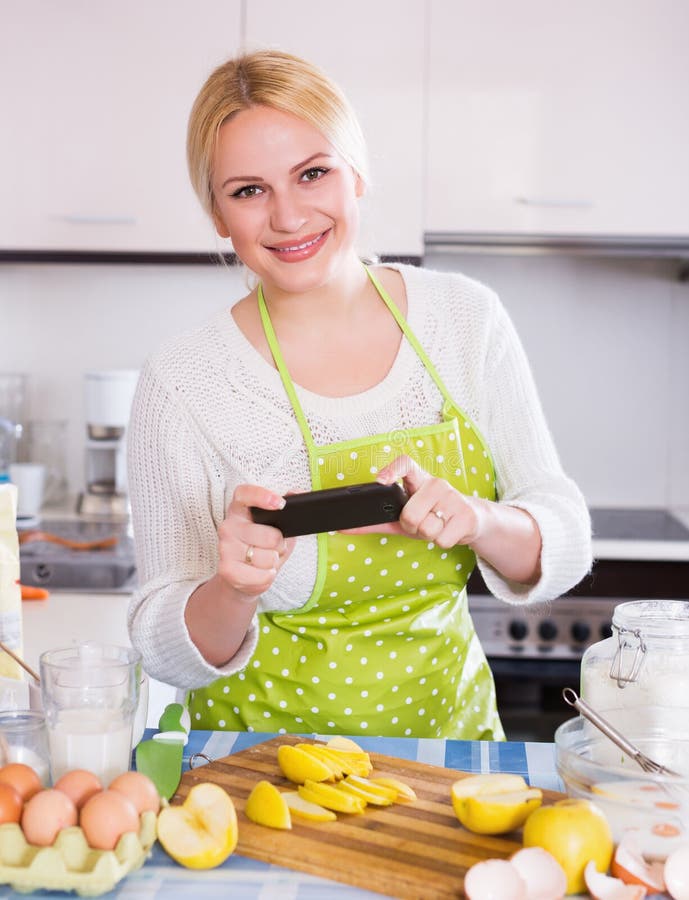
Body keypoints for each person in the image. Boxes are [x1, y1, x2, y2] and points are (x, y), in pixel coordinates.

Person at [127, 49, 592, 740]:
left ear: (358, 172)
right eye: (248, 190)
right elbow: (159, 642)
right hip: (259, 778)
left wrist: (480, 521)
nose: (287, 216)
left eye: (312, 173)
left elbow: (566, 537)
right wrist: (231, 590)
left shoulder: (464, 320)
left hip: (453, 765)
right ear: (217, 214)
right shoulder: (182, 382)